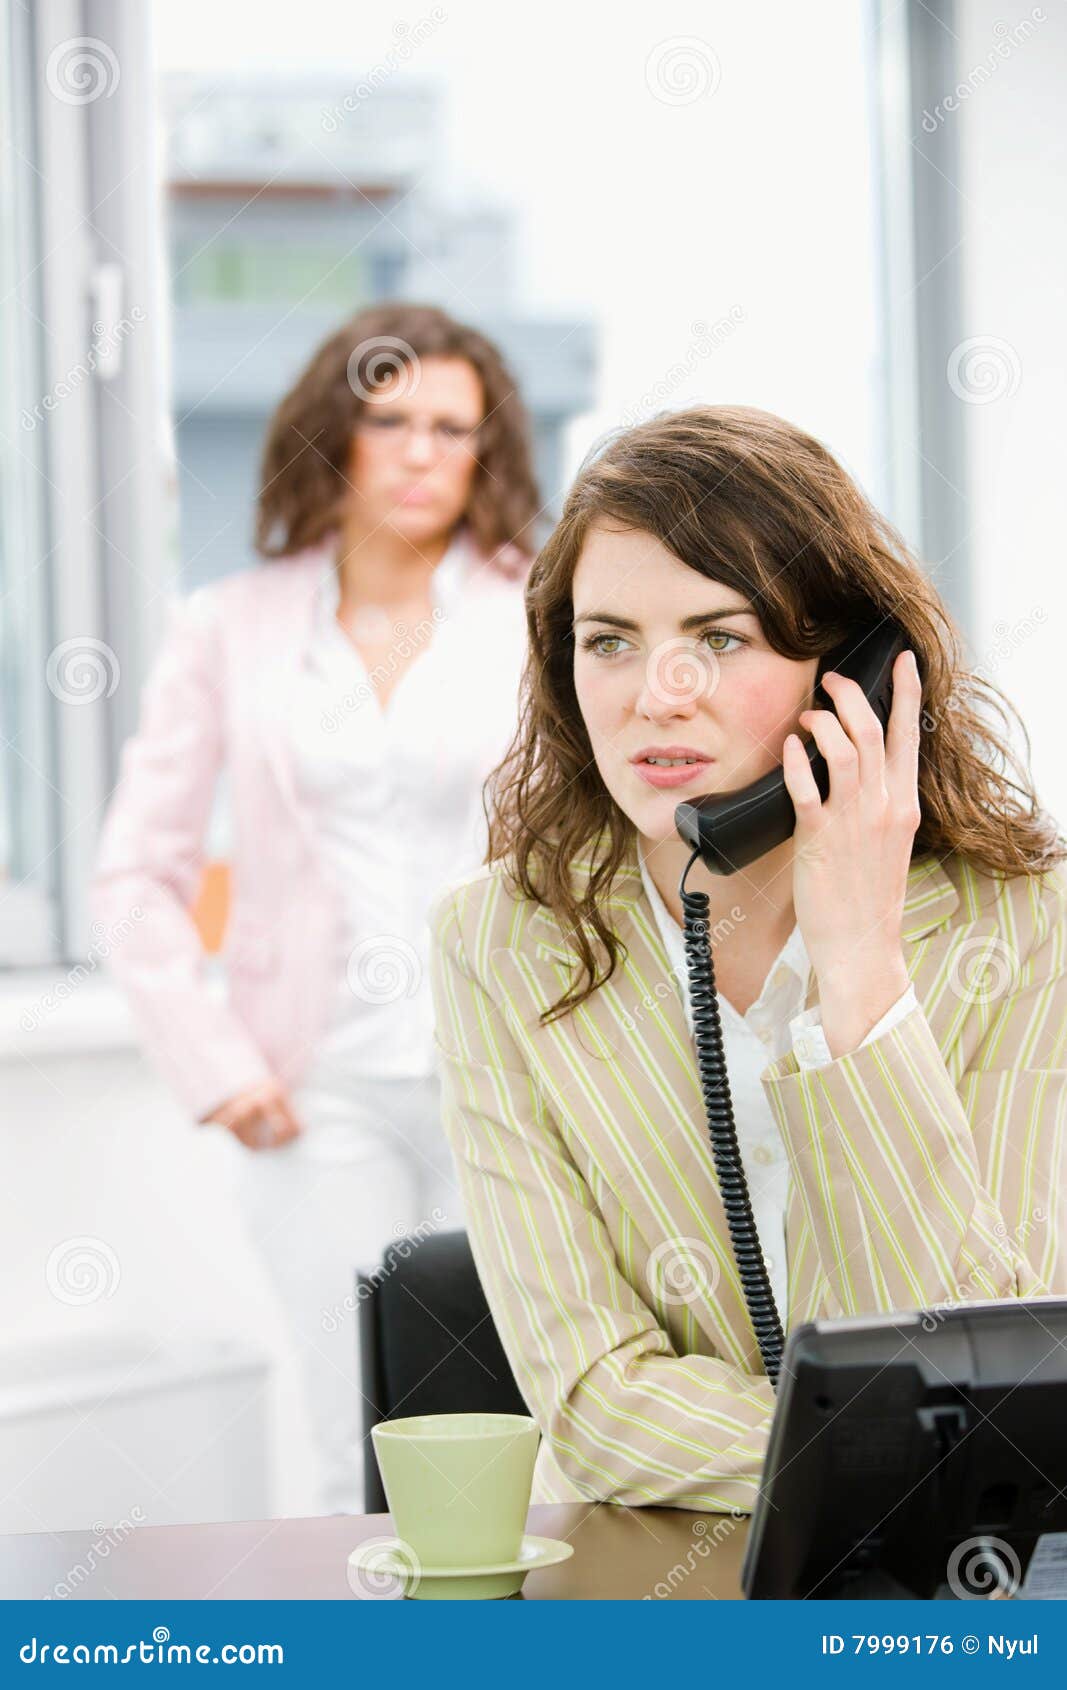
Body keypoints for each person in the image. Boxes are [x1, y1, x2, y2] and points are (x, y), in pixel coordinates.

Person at [428, 404, 1067, 1513]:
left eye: (718, 639)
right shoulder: (499, 942)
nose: (653, 694)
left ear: (854, 673)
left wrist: (858, 965)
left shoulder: (1016, 927)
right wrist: (869, 1456)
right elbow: (593, 1403)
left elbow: (992, 1367)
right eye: (608, 640)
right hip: (669, 1585)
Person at [91, 302, 541, 1515]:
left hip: (509, 1079)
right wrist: (212, 1058)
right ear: (331, 438)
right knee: (366, 1440)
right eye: (387, 420)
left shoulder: (537, 614)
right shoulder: (228, 627)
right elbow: (136, 868)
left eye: (450, 427)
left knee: (520, 1430)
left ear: (483, 452)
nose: (416, 452)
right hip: (317, 1088)